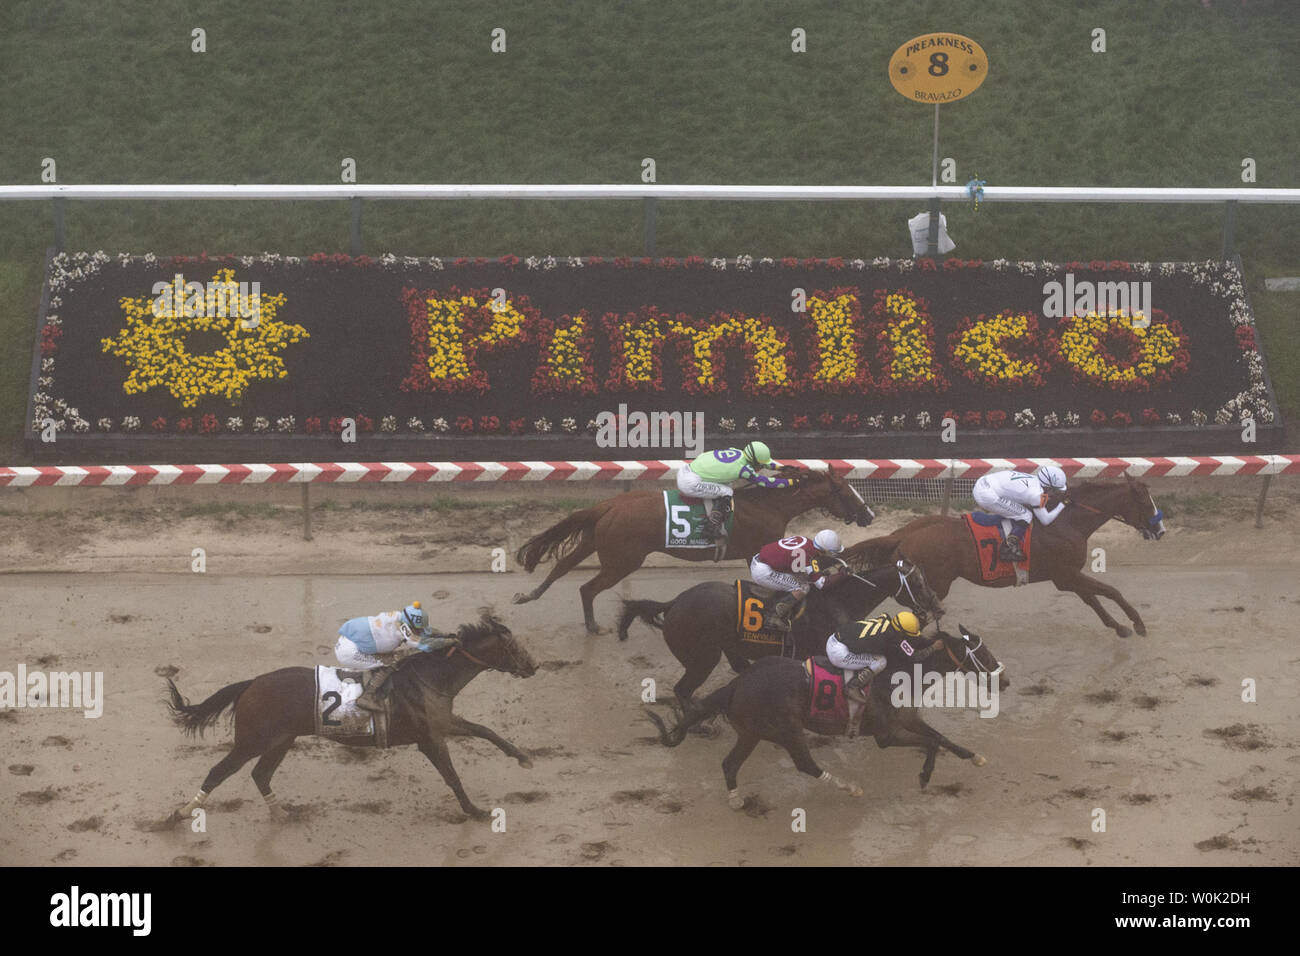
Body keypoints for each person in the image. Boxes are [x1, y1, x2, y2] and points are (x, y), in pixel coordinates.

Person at [335, 601, 459, 712]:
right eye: (417, 630)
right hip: (350, 652)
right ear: (408, 626)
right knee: (391, 661)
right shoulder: (403, 628)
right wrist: (448, 642)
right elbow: (423, 644)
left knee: (392, 655)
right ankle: (367, 697)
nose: (420, 632)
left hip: (350, 641)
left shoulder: (401, 616)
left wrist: (446, 634)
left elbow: (425, 630)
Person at [826, 611, 925, 736]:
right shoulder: (889, 639)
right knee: (881, 661)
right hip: (838, 652)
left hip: (835, 638)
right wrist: (934, 648)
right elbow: (914, 656)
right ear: (900, 632)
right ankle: (853, 686)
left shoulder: (886, 620)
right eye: (908, 635)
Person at [676, 441, 792, 540]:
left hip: (687, 470)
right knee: (727, 491)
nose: (761, 467)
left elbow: (762, 462)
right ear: (754, 462)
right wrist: (791, 482)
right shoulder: (743, 469)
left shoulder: (739, 452)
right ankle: (710, 527)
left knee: (727, 484)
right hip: (689, 482)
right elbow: (765, 482)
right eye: (761, 465)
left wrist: (780, 468)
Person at [749, 529, 845, 630]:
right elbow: (821, 584)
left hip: (758, 560)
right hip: (763, 572)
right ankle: (772, 617)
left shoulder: (804, 540)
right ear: (825, 550)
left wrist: (815, 573)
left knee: (802, 578)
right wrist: (843, 574)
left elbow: (796, 566)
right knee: (803, 588)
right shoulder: (809, 557)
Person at [970, 465, 1069, 562]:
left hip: (984, 483)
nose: (1055, 494)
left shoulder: (1037, 481)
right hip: (986, 494)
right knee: (1026, 515)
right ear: (1048, 487)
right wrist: (1063, 504)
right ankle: (1007, 549)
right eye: (1055, 491)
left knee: (1018, 510)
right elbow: (1045, 520)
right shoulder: (1037, 494)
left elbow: (1040, 499)